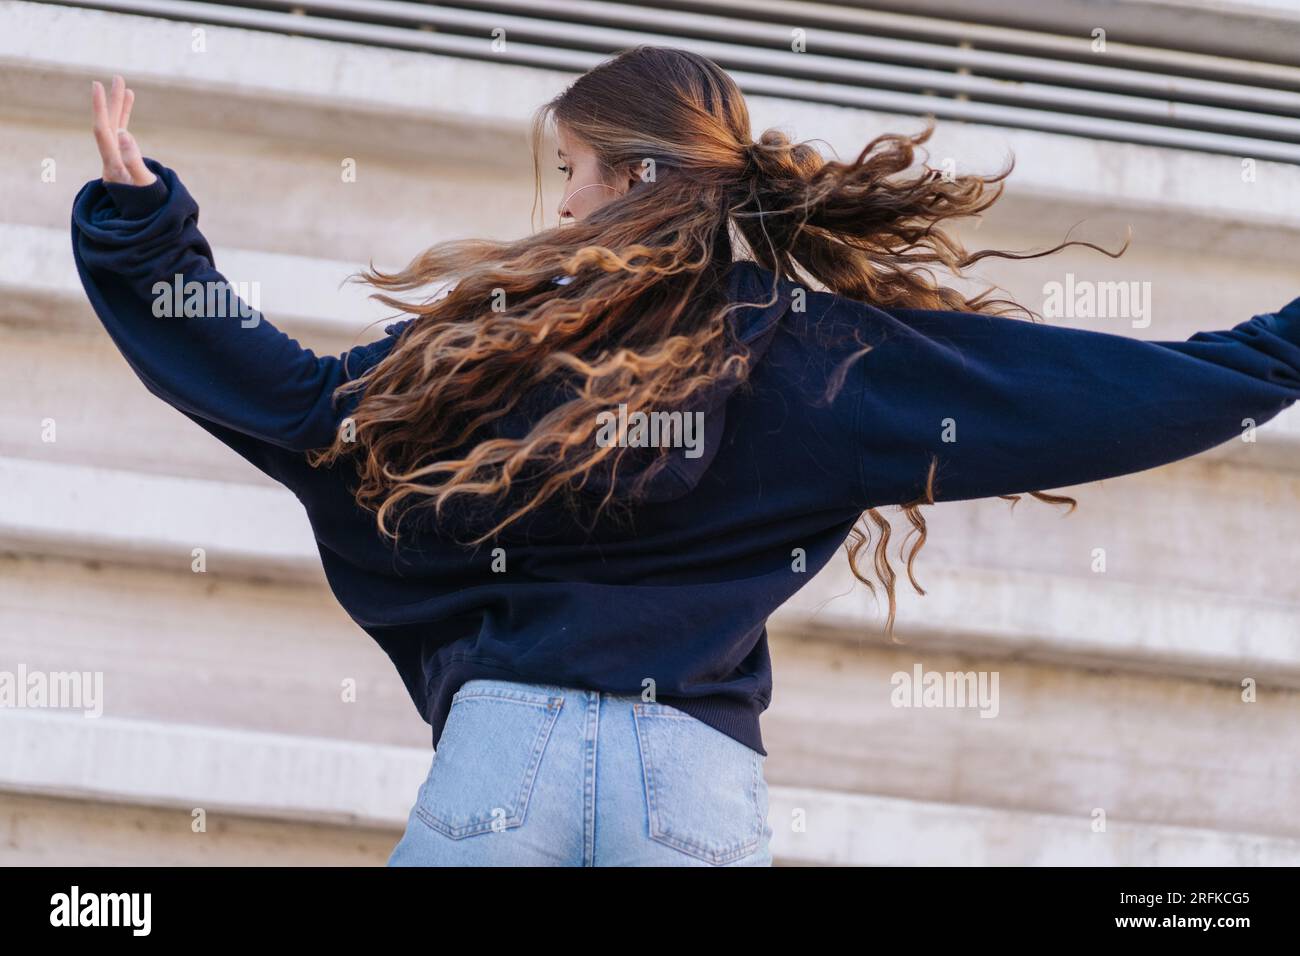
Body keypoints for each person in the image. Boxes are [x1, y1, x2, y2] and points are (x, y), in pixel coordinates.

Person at [73, 48, 1300, 866]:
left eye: (573, 171)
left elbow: (296, 404)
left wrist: (149, 241)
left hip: (509, 750)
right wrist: (1278, 349)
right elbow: (1101, 394)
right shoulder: (821, 355)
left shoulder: (500, 343)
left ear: (631, 179)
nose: (560, 205)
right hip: (693, 782)